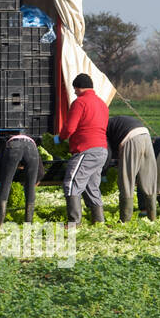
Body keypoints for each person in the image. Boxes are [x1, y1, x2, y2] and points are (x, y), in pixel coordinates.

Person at [60, 73, 108, 226]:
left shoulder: (80, 102)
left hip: (86, 149)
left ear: (79, 87)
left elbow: (70, 128)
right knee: (91, 186)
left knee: (71, 182)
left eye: (75, 89)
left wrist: (60, 138)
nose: (74, 92)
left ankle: (74, 222)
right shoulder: (102, 104)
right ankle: (98, 221)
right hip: (102, 150)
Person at [105, 114, 156, 222]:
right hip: (145, 134)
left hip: (130, 138)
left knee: (126, 180)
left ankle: (125, 220)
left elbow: (108, 152)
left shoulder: (103, 128)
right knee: (148, 178)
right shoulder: (114, 122)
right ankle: (152, 217)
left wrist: (104, 172)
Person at [0, 133, 42, 225]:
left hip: (13, 148)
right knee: (30, 188)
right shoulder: (32, 143)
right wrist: (35, 180)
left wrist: (1, 178)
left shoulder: (7, 143)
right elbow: (40, 170)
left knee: (5, 186)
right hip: (32, 150)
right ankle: (28, 224)